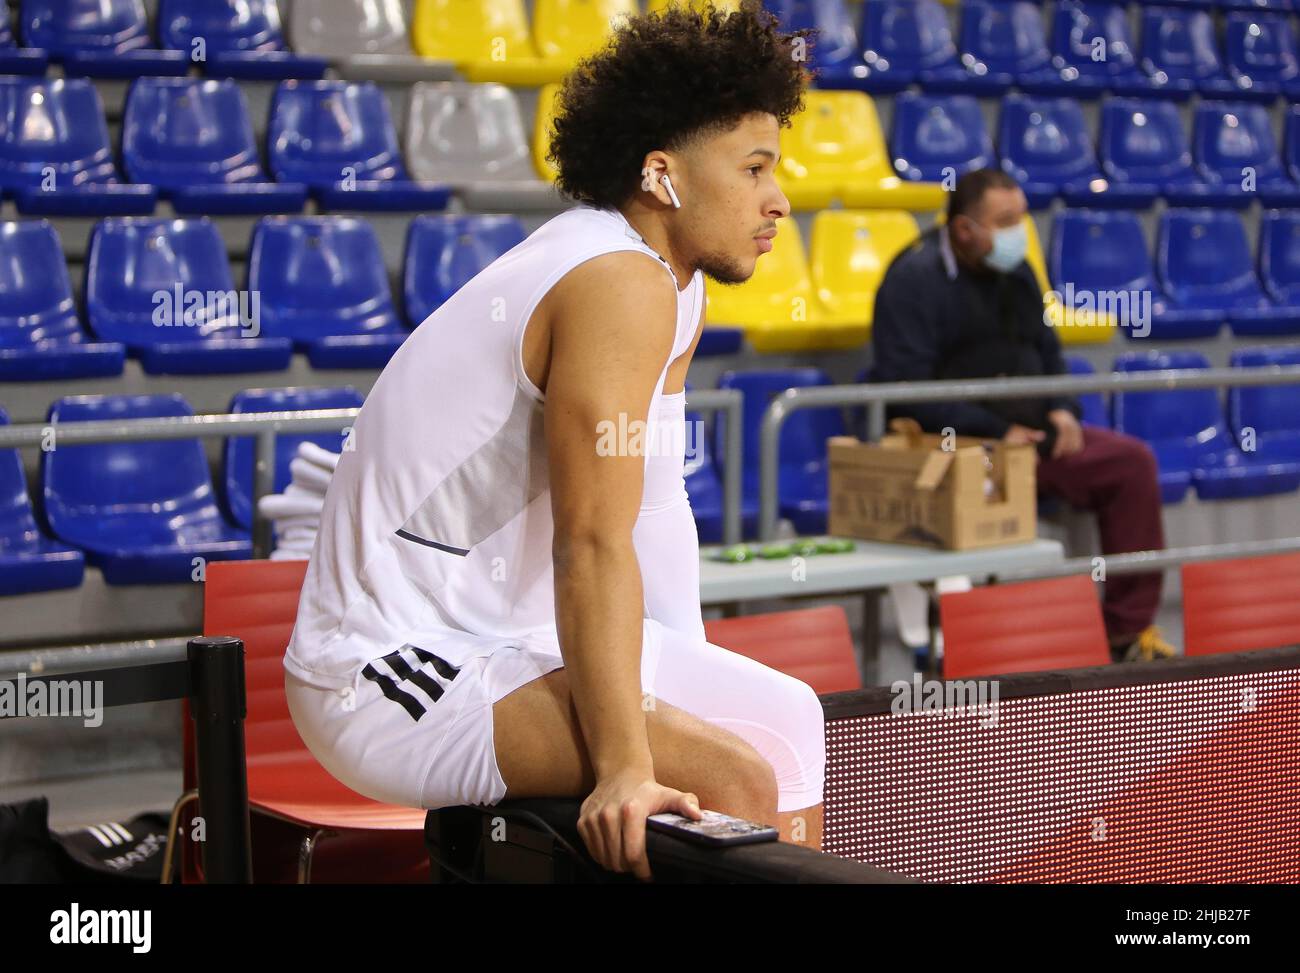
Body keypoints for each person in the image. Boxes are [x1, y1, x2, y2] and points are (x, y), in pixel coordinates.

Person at [282, 0, 826, 882]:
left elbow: (654, 503)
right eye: (754, 167)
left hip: (506, 631)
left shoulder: (674, 289)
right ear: (663, 176)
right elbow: (591, 541)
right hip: (385, 666)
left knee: (791, 718)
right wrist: (624, 761)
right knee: (733, 775)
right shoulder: (616, 282)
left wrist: (679, 669)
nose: (778, 198)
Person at [870, 168, 1176, 664]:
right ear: (965, 230)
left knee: (1131, 463)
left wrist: (1062, 408)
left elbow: (1049, 351)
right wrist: (995, 431)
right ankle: (969, 656)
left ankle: (1126, 633)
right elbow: (906, 392)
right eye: (1006, 220)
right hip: (959, 449)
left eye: (1021, 218)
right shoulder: (912, 280)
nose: (1019, 232)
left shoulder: (1018, 270)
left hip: (1032, 438)